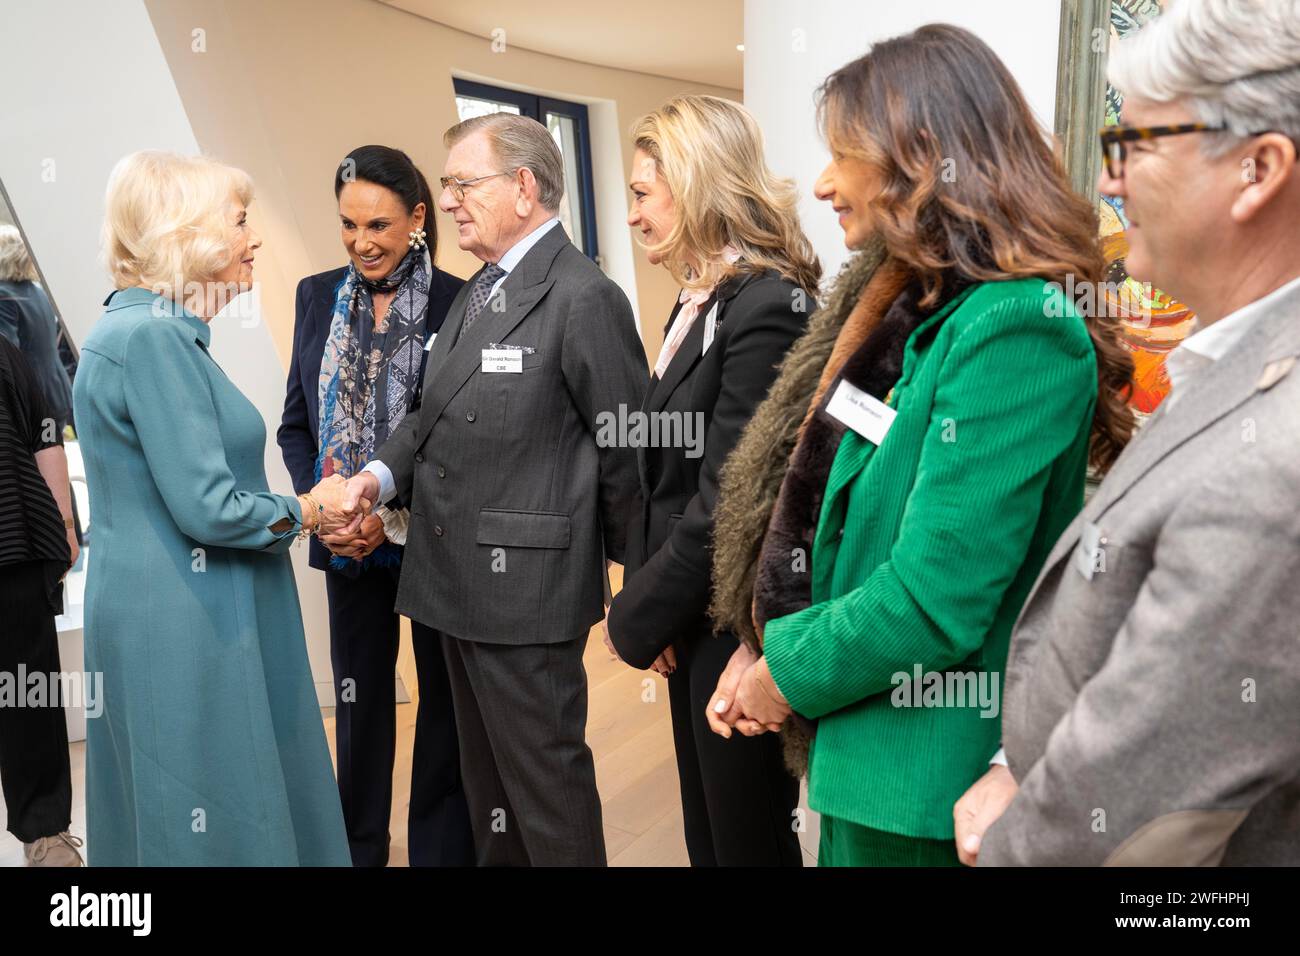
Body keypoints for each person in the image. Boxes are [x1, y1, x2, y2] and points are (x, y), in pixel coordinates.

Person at [705, 24, 1134, 867]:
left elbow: (933, 598)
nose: (824, 183)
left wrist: (782, 676)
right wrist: (764, 646)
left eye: (842, 154)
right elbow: (837, 515)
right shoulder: (921, 311)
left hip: (931, 789)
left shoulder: (1016, 327)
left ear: (920, 155)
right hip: (868, 760)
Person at [960, 0, 1300, 867]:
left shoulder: (1279, 461)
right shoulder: (1232, 360)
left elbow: (1143, 798)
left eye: (1134, 148)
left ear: (1257, 169)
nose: (1108, 182)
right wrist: (1014, 762)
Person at [343, 114, 647, 866]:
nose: (446, 201)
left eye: (461, 183)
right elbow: (429, 416)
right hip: (453, 583)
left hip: (527, 597)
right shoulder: (481, 290)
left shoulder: (583, 297)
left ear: (523, 186)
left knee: (546, 801)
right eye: (445, 185)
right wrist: (374, 479)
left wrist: (641, 591)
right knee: (491, 805)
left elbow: (629, 455)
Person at [74, 150, 355, 865]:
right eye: (238, 221)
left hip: (168, 605)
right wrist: (311, 509)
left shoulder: (136, 330)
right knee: (212, 801)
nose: (253, 238)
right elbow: (209, 508)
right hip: (187, 618)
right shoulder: (154, 340)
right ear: (187, 234)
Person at [605, 94, 818, 866]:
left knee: (747, 841)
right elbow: (657, 473)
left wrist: (638, 611)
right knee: (709, 836)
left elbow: (732, 498)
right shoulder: (699, 304)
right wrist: (653, 600)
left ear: (695, 183)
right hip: (687, 614)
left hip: (733, 625)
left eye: (640, 192)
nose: (632, 215)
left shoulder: (766, 308)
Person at [278, 145, 473, 867]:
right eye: (348, 224)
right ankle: (357, 850)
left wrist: (386, 504)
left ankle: (440, 852)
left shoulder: (463, 301)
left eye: (380, 225)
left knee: (445, 707)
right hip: (343, 536)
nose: (362, 241)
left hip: (433, 534)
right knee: (358, 707)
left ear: (419, 217)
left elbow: (456, 429)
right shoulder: (312, 295)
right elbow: (294, 423)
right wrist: (330, 508)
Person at [0, 336, 81, 866]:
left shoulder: (3, 349)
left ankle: (45, 832)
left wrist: (65, 523)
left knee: (29, 692)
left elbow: (42, 433)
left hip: (13, 542)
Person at [0, 225, 74, 436]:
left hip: (29, 401)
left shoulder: (4, 295)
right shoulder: (38, 292)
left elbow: (7, 356)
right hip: (55, 392)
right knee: (50, 460)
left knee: (29, 466)